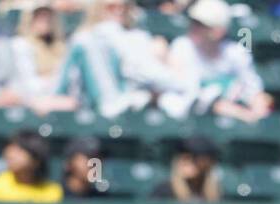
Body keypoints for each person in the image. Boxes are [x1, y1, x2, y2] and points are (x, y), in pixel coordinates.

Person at [56, 0, 189, 118]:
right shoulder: (85, 39)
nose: (119, 11)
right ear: (99, 8)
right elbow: (66, 80)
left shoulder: (138, 36)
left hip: (135, 100)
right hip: (95, 106)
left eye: (124, 6)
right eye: (111, 7)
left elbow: (147, 72)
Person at [167, 0, 273, 122]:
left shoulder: (237, 53)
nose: (194, 27)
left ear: (218, 31)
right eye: (194, 22)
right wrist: (233, 110)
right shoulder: (181, 46)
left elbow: (254, 91)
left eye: (202, 25)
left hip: (231, 120)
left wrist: (257, 107)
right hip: (188, 120)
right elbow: (184, 92)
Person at [11, 5, 80, 111]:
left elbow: (70, 79)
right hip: (31, 100)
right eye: (39, 16)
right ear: (29, 18)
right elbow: (29, 85)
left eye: (47, 16)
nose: (44, 20)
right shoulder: (20, 44)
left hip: (58, 97)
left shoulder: (61, 46)